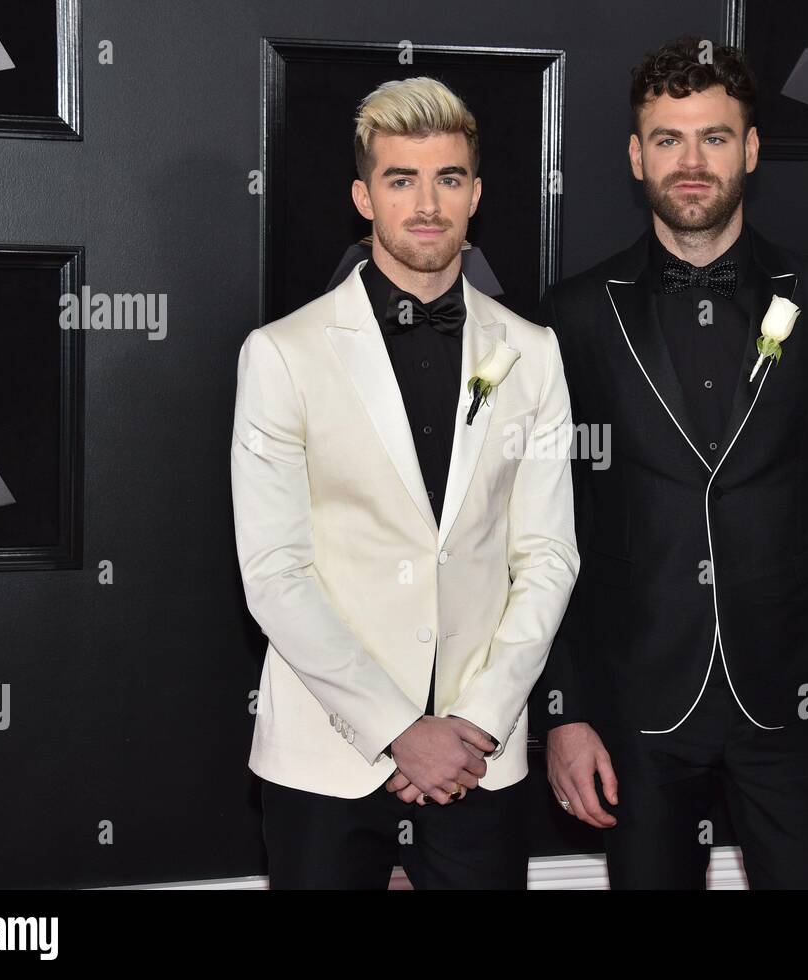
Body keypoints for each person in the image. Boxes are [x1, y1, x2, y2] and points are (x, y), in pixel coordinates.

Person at [538, 37, 808, 889]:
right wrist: (567, 712)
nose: (691, 161)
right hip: (636, 713)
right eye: (668, 138)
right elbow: (549, 529)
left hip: (796, 707)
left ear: (750, 149)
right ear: (636, 156)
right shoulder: (576, 314)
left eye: (713, 136)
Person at [231, 76, 578, 889]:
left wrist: (475, 725)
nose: (427, 204)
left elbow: (548, 557)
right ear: (364, 196)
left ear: (477, 193)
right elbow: (275, 573)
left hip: (477, 759)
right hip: (324, 757)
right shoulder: (283, 353)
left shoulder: (534, 353)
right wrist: (397, 729)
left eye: (448, 178)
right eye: (401, 179)